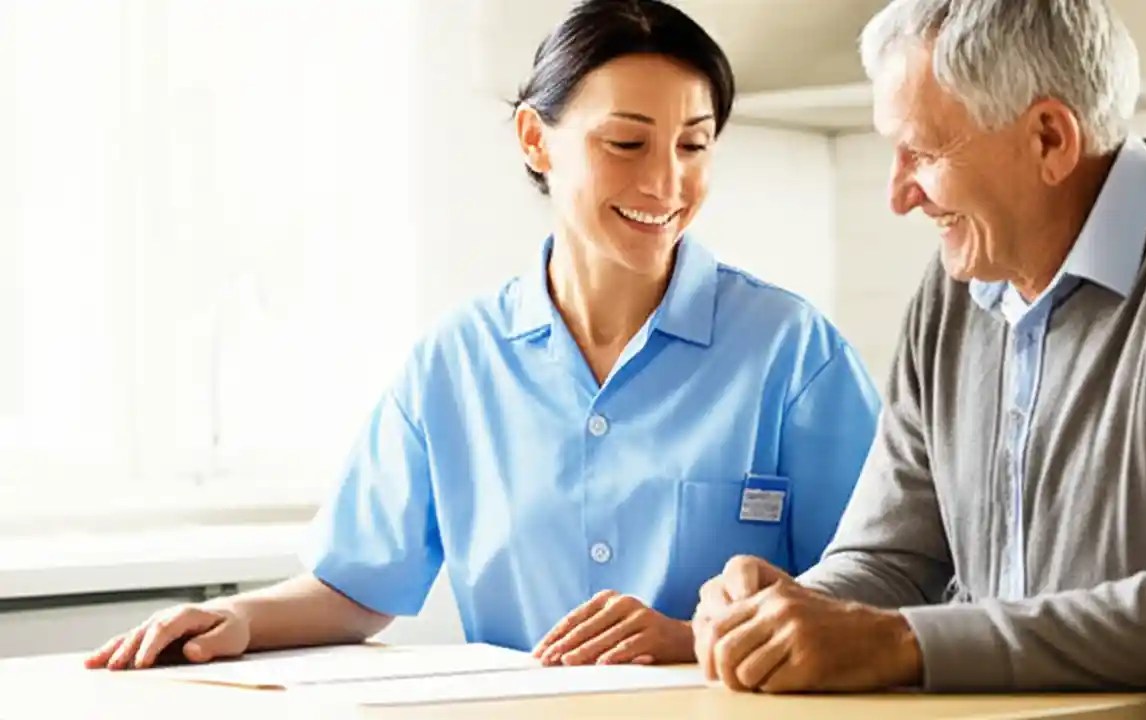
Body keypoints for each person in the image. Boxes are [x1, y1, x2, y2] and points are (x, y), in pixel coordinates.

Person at [85, 0, 880, 672]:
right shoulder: (455, 363)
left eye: (694, 145)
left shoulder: (792, 353)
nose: (666, 182)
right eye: (627, 143)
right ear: (536, 140)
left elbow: (877, 588)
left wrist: (688, 640)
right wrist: (243, 620)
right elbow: (359, 583)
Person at [692, 0, 1146, 716]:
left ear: (1049, 139)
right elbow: (889, 560)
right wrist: (785, 615)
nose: (898, 194)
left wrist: (899, 643)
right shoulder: (956, 286)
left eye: (924, 153)